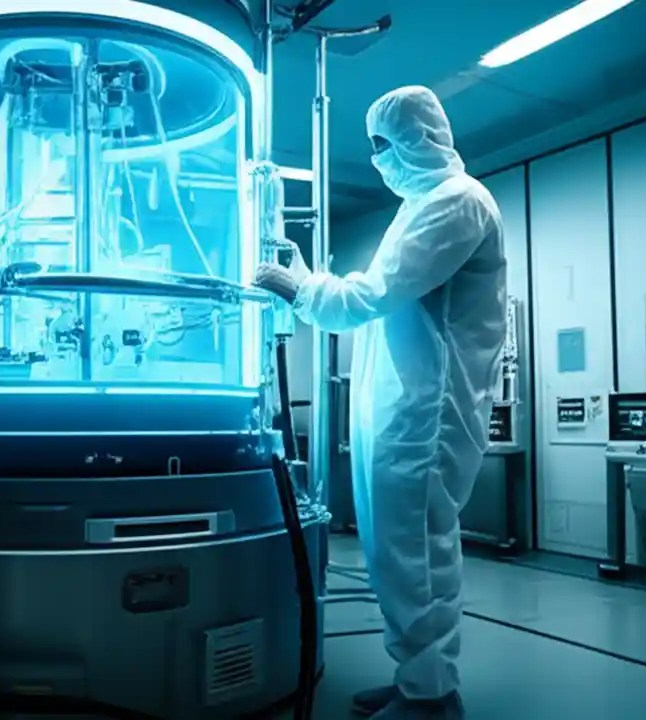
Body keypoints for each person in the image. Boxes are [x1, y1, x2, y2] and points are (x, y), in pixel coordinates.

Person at [255, 86, 506, 720]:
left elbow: (371, 295)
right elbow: (377, 299)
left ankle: (432, 700)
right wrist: (309, 274)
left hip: (427, 417)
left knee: (415, 557)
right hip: (399, 409)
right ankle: (416, 679)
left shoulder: (457, 203)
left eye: (384, 145)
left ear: (420, 138)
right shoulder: (421, 205)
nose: (377, 160)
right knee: (391, 555)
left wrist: (300, 287)